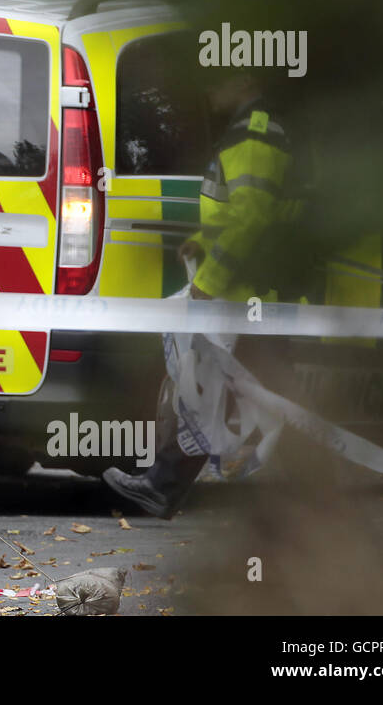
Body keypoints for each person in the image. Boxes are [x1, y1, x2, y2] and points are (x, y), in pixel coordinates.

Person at [103, 67, 298, 518]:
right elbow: (240, 216)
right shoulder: (250, 129)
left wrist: (209, 281)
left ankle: (165, 485)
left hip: (246, 292)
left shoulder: (254, 134)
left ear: (247, 78)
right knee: (226, 389)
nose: (207, 88)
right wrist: (204, 246)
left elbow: (251, 218)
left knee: (217, 387)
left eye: (217, 78)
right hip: (253, 290)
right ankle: (164, 485)